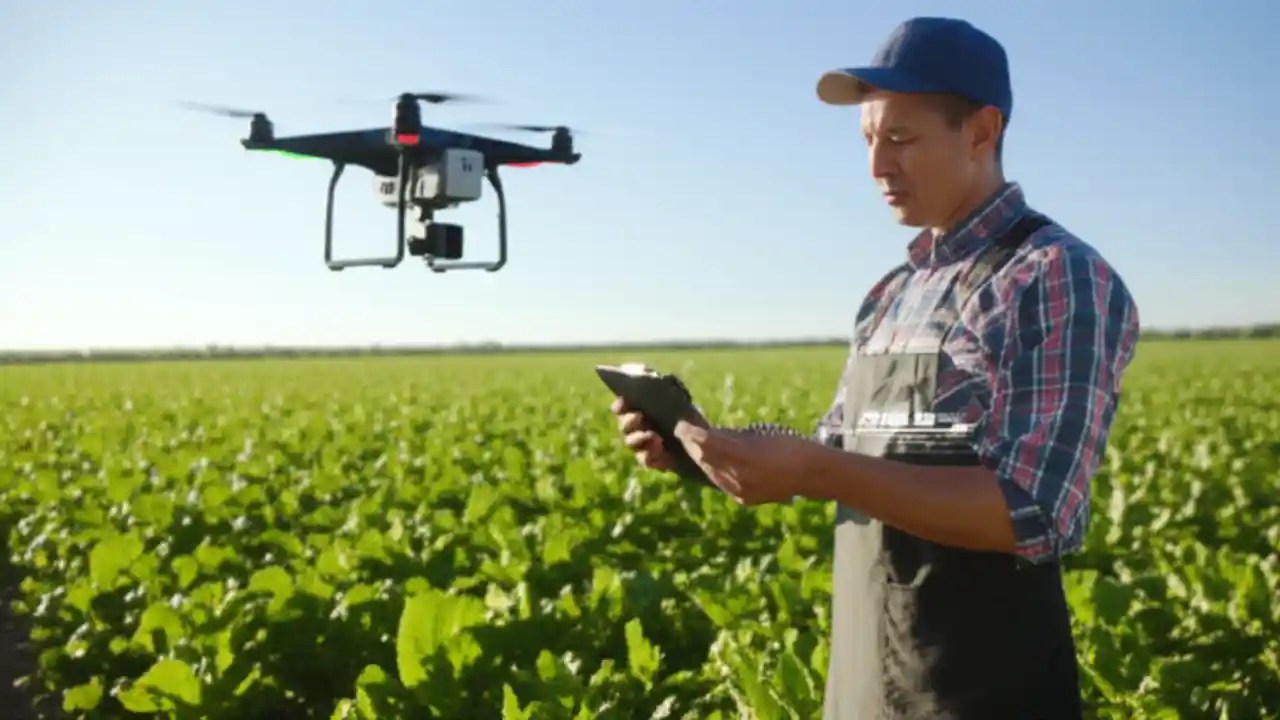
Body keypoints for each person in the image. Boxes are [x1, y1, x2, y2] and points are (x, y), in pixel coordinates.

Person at [611, 15, 1141, 720]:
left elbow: (1036, 511)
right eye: (867, 140)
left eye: (900, 139)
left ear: (982, 131)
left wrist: (816, 470)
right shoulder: (891, 294)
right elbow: (842, 455)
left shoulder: (1054, 275)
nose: (875, 167)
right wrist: (699, 451)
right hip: (864, 690)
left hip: (984, 695)